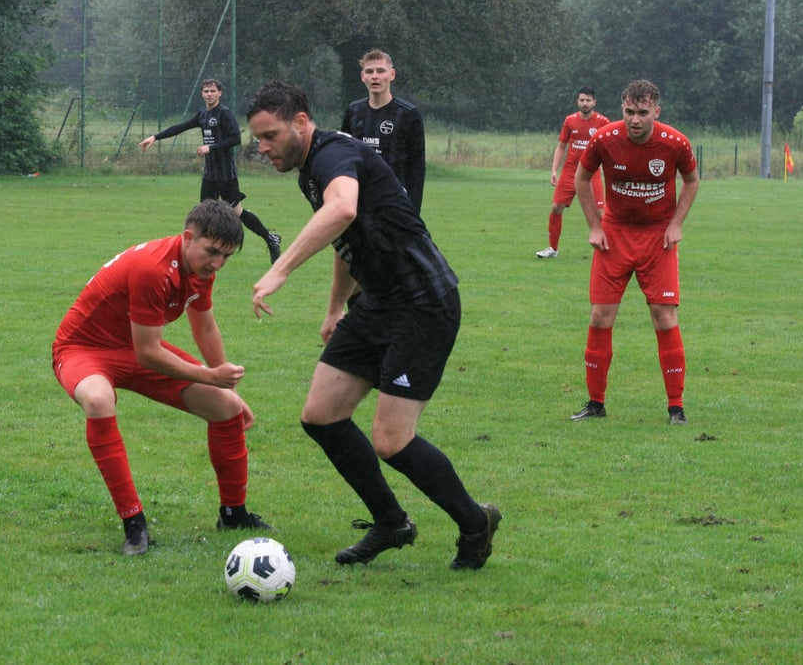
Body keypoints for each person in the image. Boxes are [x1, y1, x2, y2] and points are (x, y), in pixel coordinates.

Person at [246, 80, 501, 570]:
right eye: (258, 139)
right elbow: (346, 231)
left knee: (391, 440)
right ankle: (391, 523)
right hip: (377, 303)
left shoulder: (333, 154)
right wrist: (334, 308)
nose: (262, 148)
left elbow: (341, 208)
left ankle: (475, 523)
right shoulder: (309, 172)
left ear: (300, 122)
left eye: (270, 136)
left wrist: (279, 270)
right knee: (320, 415)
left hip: (423, 303)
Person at [52, 199, 271, 556]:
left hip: (136, 346)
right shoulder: (153, 268)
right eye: (212, 252)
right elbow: (149, 353)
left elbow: (205, 326)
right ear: (188, 237)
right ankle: (133, 524)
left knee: (226, 408)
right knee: (98, 399)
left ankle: (234, 514)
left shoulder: (201, 271)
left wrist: (226, 385)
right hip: (83, 349)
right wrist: (210, 375)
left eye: (226, 257)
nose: (217, 264)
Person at [569, 79, 700, 425]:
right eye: (629, 112)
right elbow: (582, 178)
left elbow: (692, 181)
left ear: (657, 110)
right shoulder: (605, 139)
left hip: (658, 239)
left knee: (665, 318)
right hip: (614, 236)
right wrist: (594, 227)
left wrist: (676, 224)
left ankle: (676, 408)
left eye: (643, 112)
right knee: (600, 316)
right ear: (621, 109)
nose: (635, 119)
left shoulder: (674, 143)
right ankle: (595, 404)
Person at [139, 79, 281, 264]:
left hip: (225, 175)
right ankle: (204, 253)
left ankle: (270, 238)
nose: (209, 94)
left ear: (219, 93)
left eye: (212, 91)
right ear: (202, 93)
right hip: (210, 175)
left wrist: (211, 148)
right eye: (206, 91)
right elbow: (180, 127)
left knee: (237, 212)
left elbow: (236, 139)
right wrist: (155, 137)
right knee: (204, 214)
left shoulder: (224, 114)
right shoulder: (203, 115)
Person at [340, 49, 426, 214]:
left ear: (392, 75)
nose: (375, 76)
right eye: (369, 71)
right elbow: (345, 158)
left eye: (380, 71)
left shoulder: (408, 114)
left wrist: (413, 210)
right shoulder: (353, 111)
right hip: (360, 201)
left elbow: (417, 167)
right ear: (362, 76)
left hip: (395, 203)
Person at [536, 87, 609, 258]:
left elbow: (610, 148)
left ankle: (608, 249)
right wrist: (554, 169)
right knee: (556, 207)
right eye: (582, 100)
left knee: (601, 213)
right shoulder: (570, 121)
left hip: (591, 173)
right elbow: (561, 146)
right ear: (578, 101)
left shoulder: (603, 122)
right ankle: (553, 249)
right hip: (570, 171)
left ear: (594, 102)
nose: (585, 103)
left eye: (588, 100)